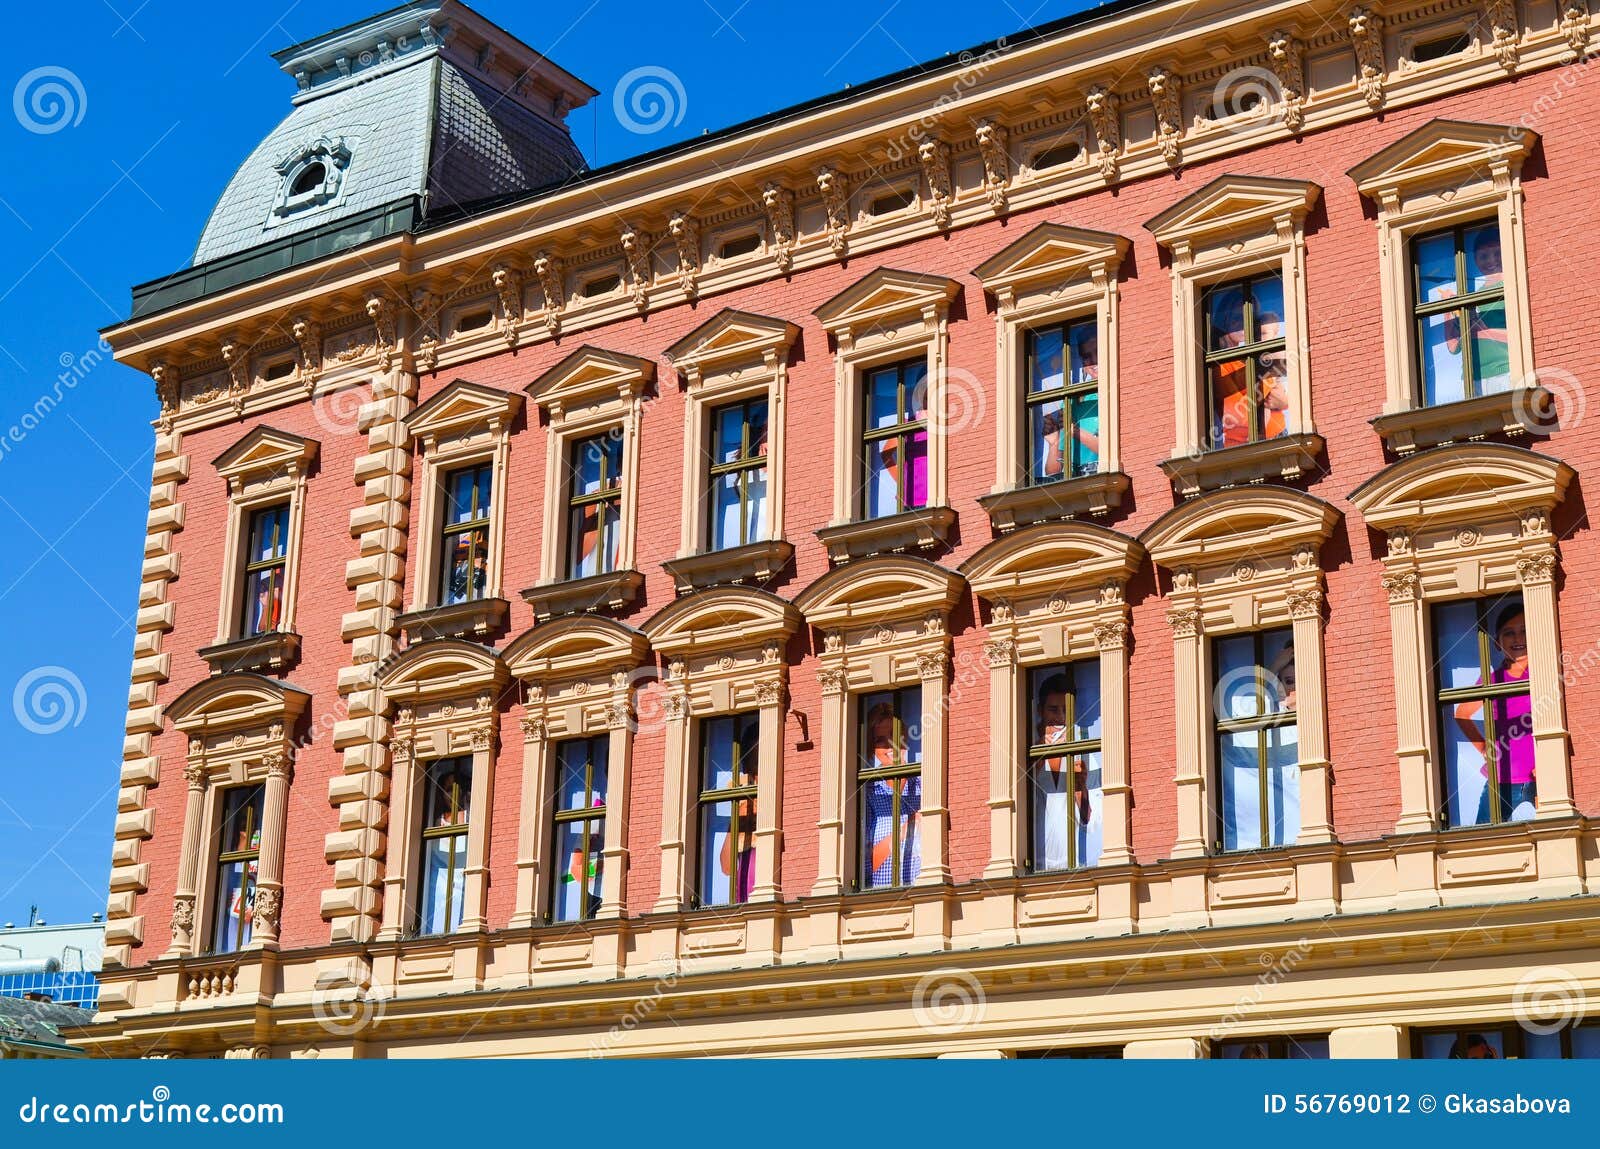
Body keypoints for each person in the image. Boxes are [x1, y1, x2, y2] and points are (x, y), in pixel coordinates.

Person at [1454, 605, 1535, 824]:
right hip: (1500, 779)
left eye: (1524, 630)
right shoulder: (1493, 679)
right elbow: (1462, 713)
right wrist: (1483, 749)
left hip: (1539, 776)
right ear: (1498, 642)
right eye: (1509, 632)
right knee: (1483, 835)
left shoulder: (1541, 672)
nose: (1518, 637)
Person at [1034, 673, 1095, 870]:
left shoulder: (1083, 752)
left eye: (1065, 710)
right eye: (1053, 710)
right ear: (1040, 710)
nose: (1060, 717)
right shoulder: (1027, 751)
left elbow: (1094, 822)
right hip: (1035, 860)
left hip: (1073, 861)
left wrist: (1080, 788)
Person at [1440, 230, 1510, 392]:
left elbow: (1517, 337)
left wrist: (1481, 330)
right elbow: (1453, 347)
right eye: (1483, 256)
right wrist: (1447, 309)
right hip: (1471, 378)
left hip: (1504, 371)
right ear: (1475, 260)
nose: (1491, 260)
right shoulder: (1474, 296)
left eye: (1497, 253)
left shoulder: (1509, 287)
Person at [863, 701, 921, 886]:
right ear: (871, 748)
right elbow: (863, 865)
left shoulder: (924, 786)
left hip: (923, 894)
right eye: (880, 740)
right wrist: (904, 830)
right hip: (881, 895)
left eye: (893, 735)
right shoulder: (869, 793)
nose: (889, 744)